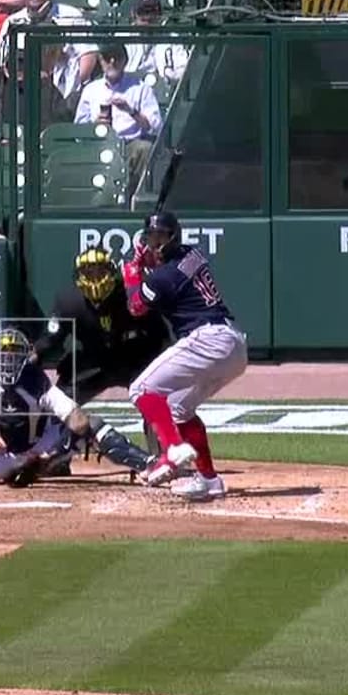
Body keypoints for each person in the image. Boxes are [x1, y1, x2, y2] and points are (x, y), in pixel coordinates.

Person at [122, 210, 247, 502]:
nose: (155, 244)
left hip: (209, 340)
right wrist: (150, 267)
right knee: (178, 408)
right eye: (151, 238)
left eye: (161, 238)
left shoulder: (165, 277)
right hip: (233, 345)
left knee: (141, 390)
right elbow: (164, 272)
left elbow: (136, 307)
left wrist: (133, 277)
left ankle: (172, 449)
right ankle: (209, 480)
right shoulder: (192, 254)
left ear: (173, 237)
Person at [0, 326, 152, 488]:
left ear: (25, 356)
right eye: (4, 352)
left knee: (94, 426)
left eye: (14, 352)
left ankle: (148, 465)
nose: (8, 358)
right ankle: (15, 468)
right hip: (6, 452)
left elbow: (78, 419)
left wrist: (53, 454)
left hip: (43, 442)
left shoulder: (36, 380)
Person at [33, 246, 170, 462]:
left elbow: (161, 336)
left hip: (134, 359)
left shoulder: (132, 294)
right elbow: (51, 339)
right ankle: (54, 457)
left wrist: (161, 372)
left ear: (112, 272)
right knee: (56, 402)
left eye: (100, 272)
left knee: (156, 399)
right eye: (89, 273)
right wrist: (33, 355)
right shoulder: (69, 302)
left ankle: (165, 457)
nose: (95, 279)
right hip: (94, 361)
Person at [74, 44, 161, 190]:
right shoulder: (91, 90)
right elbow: (78, 127)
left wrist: (131, 112)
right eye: (108, 58)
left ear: (125, 61)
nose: (112, 62)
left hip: (130, 144)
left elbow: (156, 127)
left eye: (117, 58)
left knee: (145, 148)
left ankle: (134, 198)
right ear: (101, 61)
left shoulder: (140, 88)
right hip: (99, 144)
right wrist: (95, 126)